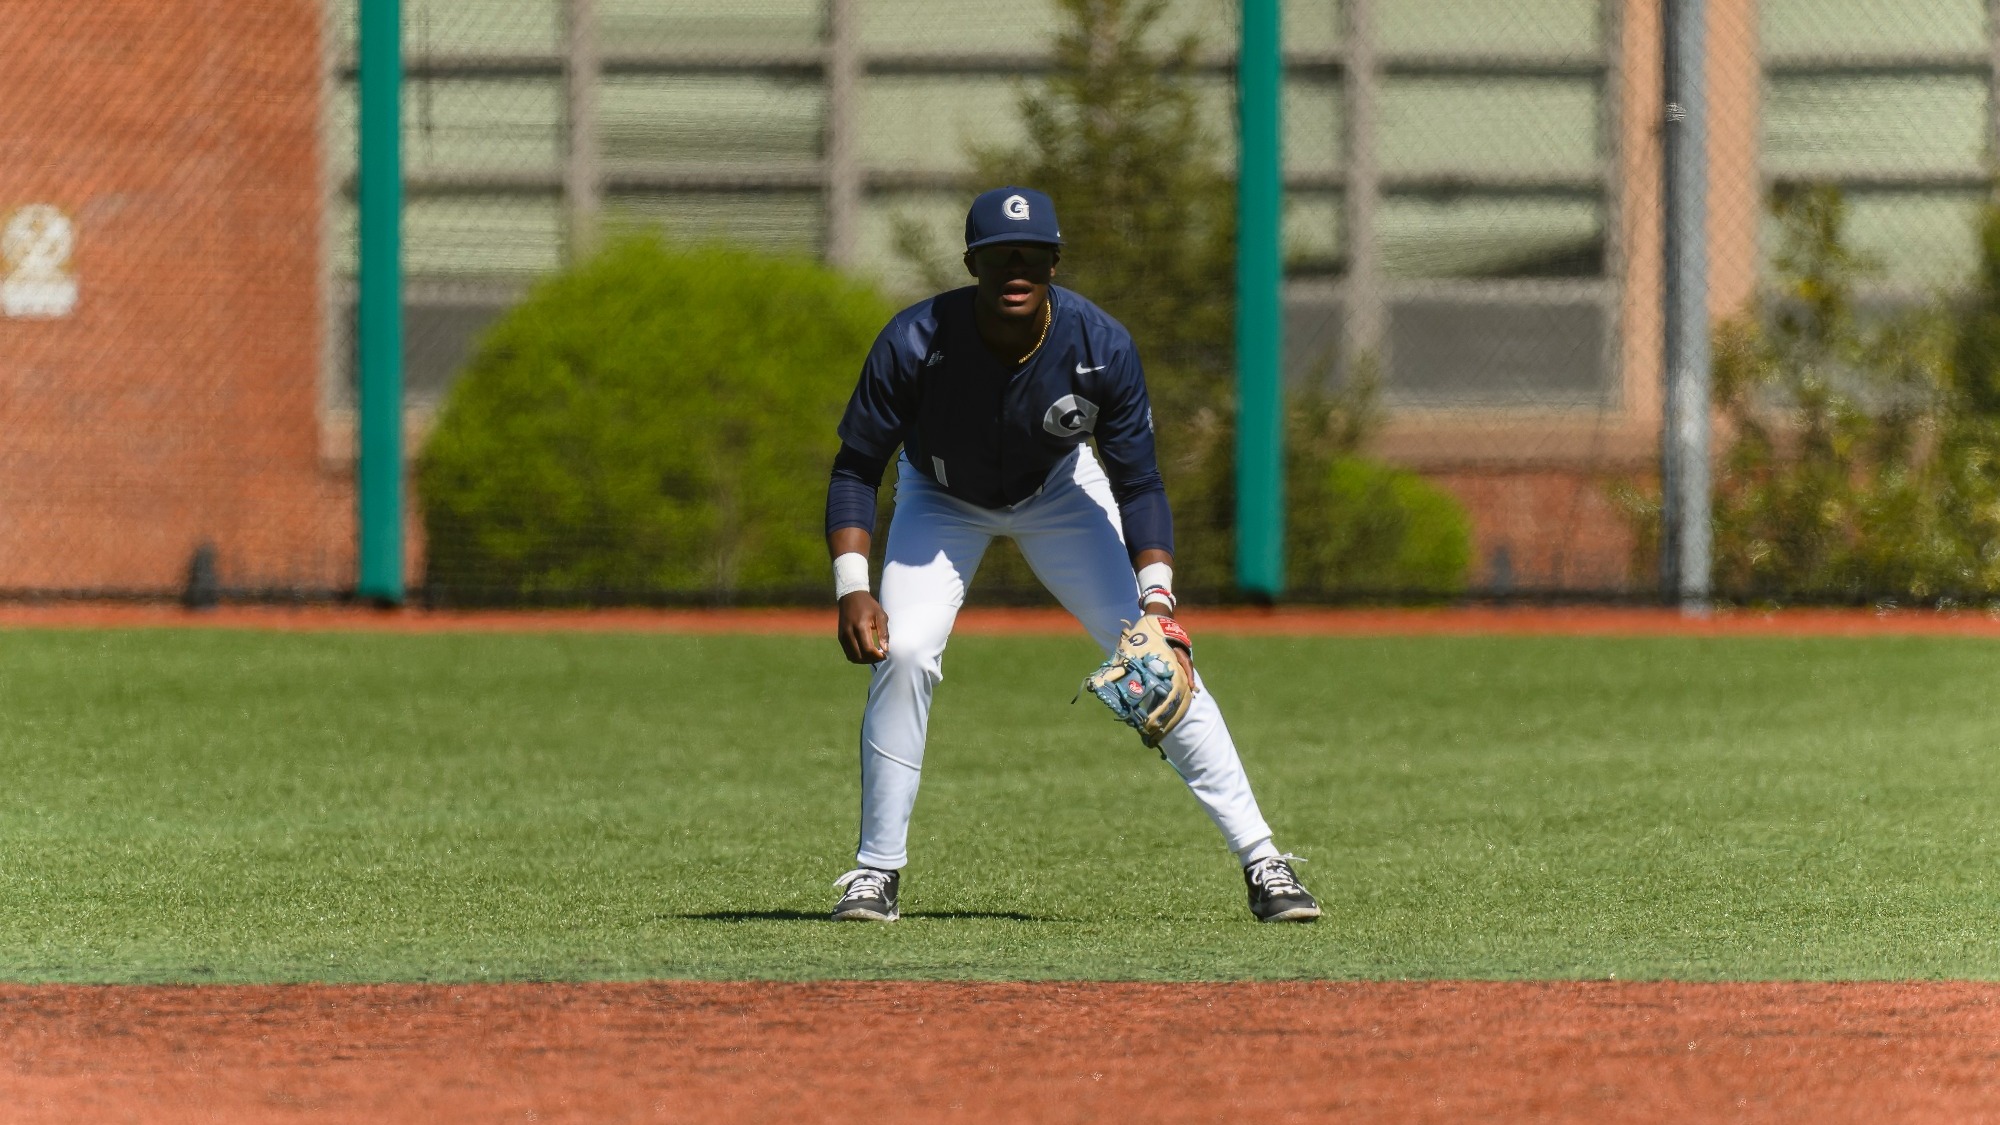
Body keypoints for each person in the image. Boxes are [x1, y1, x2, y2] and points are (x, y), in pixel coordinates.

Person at [822, 186, 1318, 924]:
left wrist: (1158, 603)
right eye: (998, 255)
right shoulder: (915, 339)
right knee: (906, 651)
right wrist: (852, 586)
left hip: (1059, 491)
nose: (1015, 268)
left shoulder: (1100, 346)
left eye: (1031, 254)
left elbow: (1138, 479)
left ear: (1054, 262)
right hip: (940, 495)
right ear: (972, 263)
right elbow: (856, 467)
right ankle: (875, 872)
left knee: (1160, 666)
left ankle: (1264, 861)